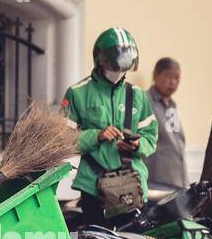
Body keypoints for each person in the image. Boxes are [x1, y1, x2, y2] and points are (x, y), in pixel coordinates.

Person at [61, 27, 158, 225]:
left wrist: (137, 144)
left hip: (132, 185)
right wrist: (97, 135)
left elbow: (151, 136)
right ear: (101, 61)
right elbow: (63, 140)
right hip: (93, 187)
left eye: (125, 67)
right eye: (115, 66)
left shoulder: (137, 95)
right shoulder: (77, 93)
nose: (120, 71)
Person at [145, 57, 187, 192]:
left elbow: (177, 142)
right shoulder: (145, 101)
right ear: (155, 75)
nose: (173, 82)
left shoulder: (171, 105)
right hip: (155, 180)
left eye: (177, 78)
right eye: (168, 76)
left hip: (177, 180)